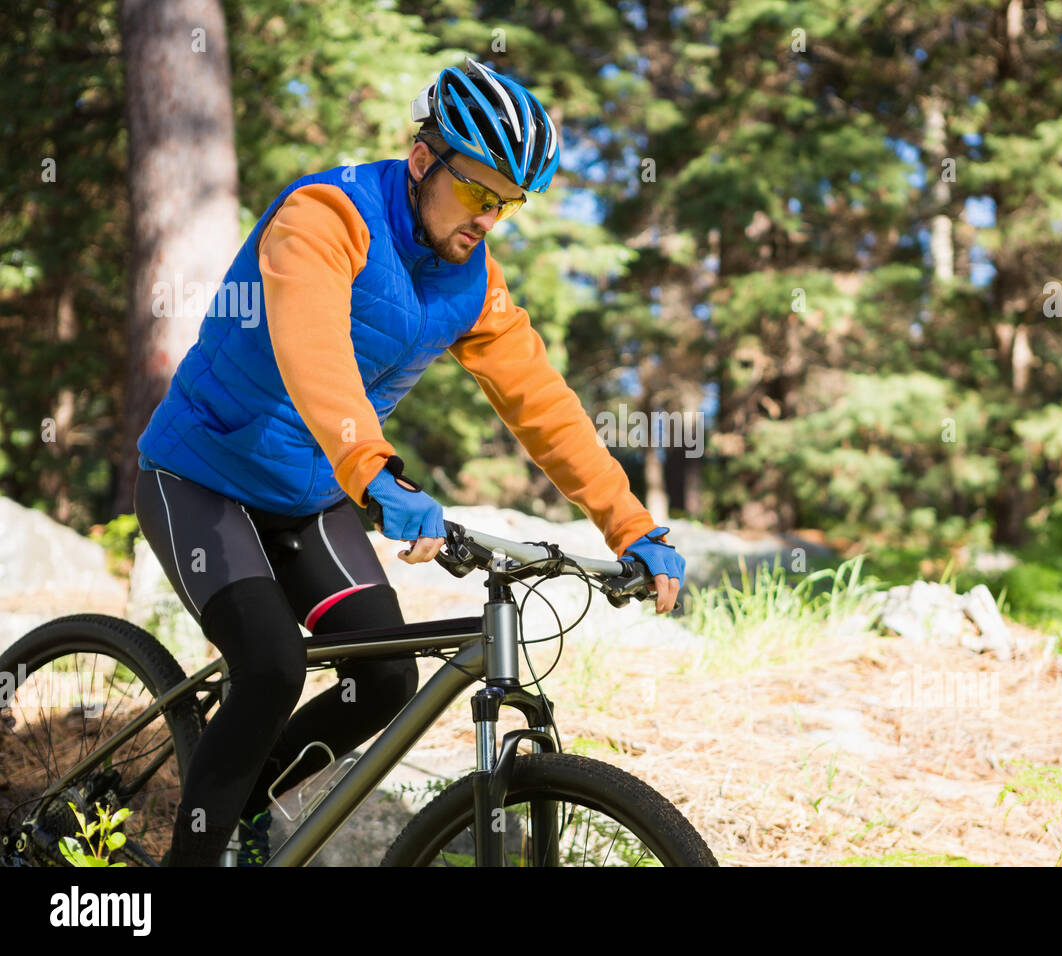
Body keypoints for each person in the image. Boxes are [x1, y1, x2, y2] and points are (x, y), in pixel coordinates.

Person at [132, 58, 685, 867]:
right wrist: (378, 472)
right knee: (272, 665)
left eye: (507, 202)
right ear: (424, 158)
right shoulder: (323, 217)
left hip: (311, 495)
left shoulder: (470, 281)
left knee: (386, 677)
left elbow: (542, 403)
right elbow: (314, 353)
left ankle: (240, 807)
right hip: (200, 476)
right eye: (477, 191)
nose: (489, 218)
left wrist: (630, 523)